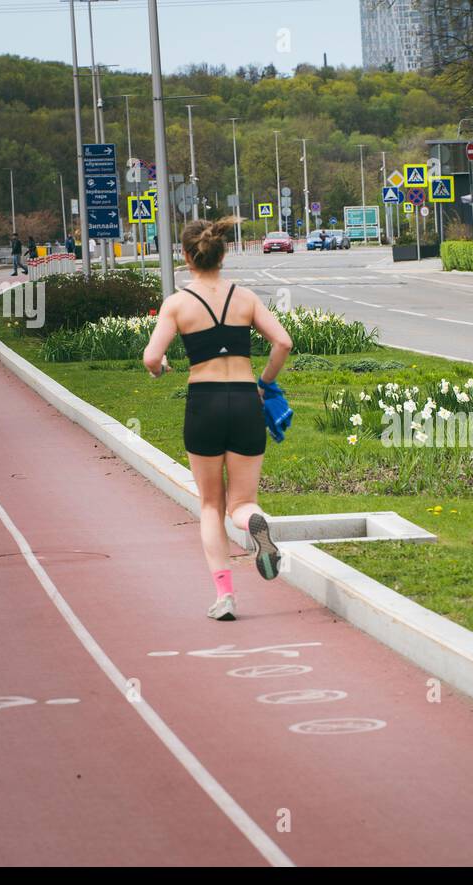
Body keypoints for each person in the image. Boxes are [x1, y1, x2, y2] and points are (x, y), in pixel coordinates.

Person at [142, 217, 293, 621]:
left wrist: (160, 370)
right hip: (245, 400)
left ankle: (225, 596)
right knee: (241, 502)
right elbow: (283, 342)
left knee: (210, 505)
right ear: (222, 255)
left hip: (204, 404)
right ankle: (254, 521)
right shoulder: (245, 298)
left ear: (187, 257)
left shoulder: (178, 303)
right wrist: (263, 382)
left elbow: (151, 358)